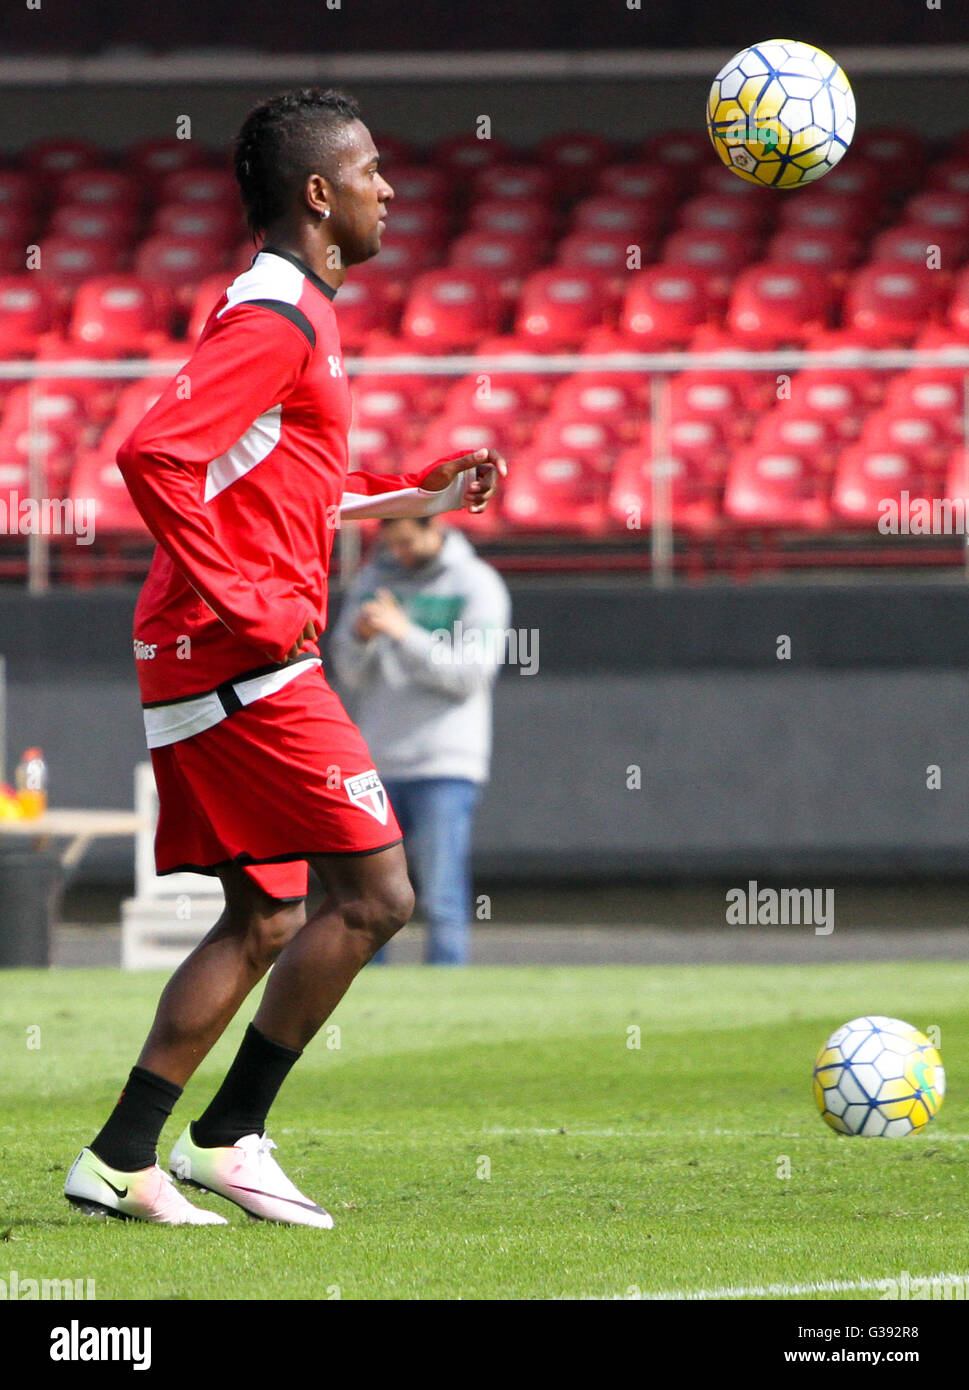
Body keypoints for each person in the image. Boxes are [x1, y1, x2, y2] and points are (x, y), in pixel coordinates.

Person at [63, 88, 505, 1227]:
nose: (388, 188)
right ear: (319, 194)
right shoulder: (280, 316)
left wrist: (424, 486)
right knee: (376, 891)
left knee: (264, 914)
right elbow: (153, 453)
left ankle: (122, 1156)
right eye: (370, 171)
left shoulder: (296, 308)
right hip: (235, 652)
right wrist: (253, 604)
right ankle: (230, 1134)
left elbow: (292, 487)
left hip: (203, 645)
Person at [330, 516, 510, 965]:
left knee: (441, 895)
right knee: (371, 897)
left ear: (436, 528)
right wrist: (361, 636)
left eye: (408, 542)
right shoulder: (374, 578)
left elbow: (470, 675)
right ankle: (367, 1004)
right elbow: (349, 672)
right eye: (392, 545)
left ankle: (448, 1004)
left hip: (445, 763)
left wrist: (402, 631)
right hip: (378, 762)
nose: (401, 554)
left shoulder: (477, 582)